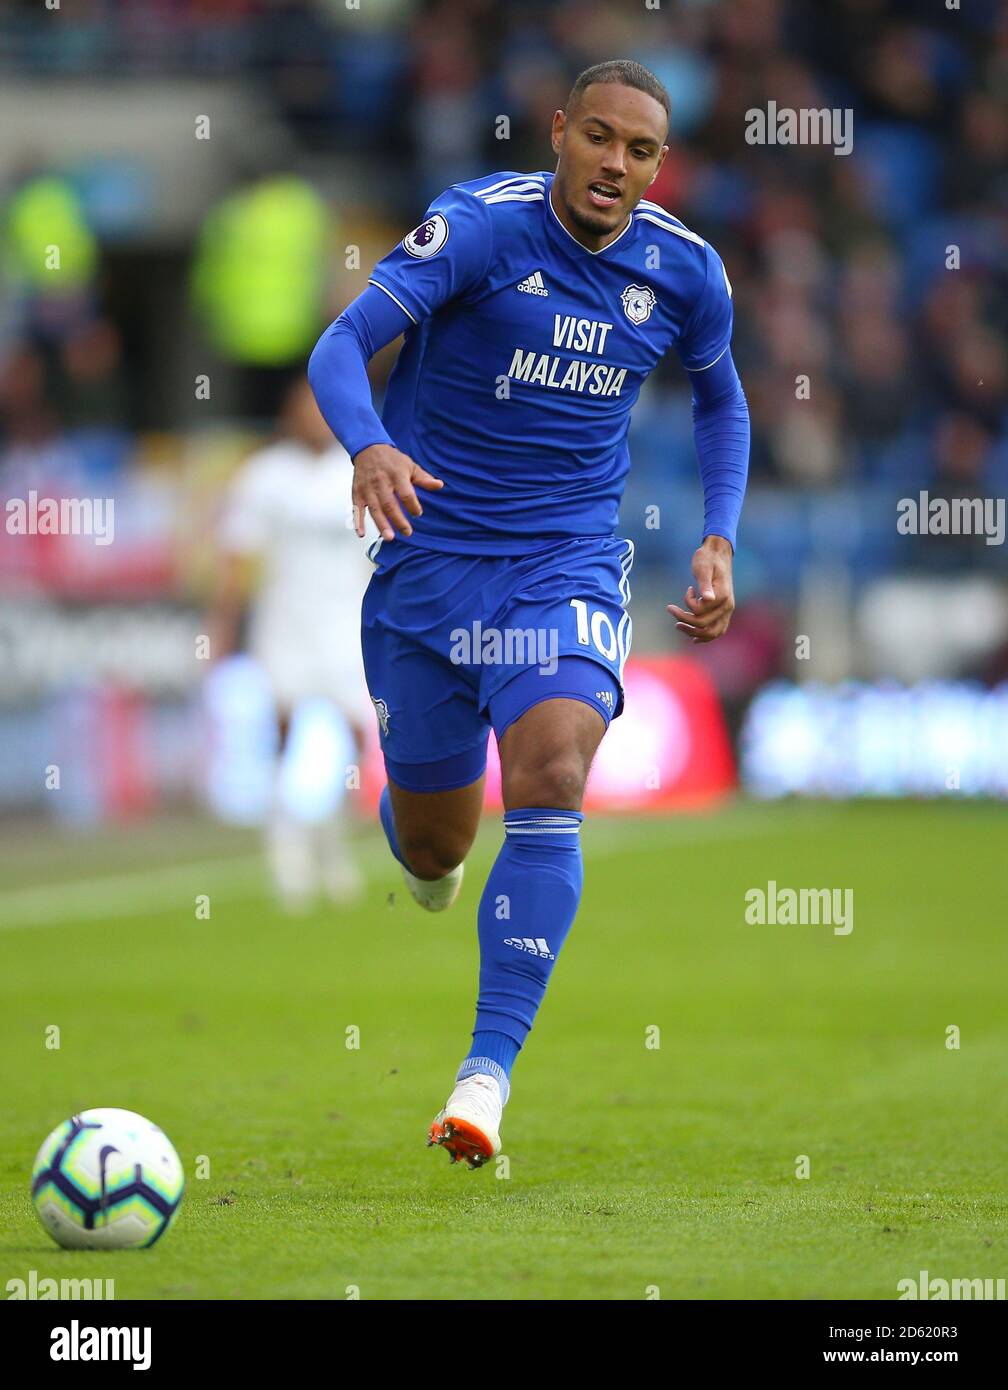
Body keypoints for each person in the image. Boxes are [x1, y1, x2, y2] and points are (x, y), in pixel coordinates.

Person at [308, 60, 750, 1166]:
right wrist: (370, 446)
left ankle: (483, 1079)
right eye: (598, 138)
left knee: (552, 774)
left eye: (640, 151)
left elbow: (723, 398)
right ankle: (424, 852)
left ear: (659, 165)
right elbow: (338, 346)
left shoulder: (687, 272)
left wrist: (718, 533)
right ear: (558, 133)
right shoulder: (476, 229)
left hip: (564, 569)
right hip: (427, 569)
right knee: (433, 842)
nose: (616, 164)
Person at [209, 378, 375, 909]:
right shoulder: (265, 475)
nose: (316, 418)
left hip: (344, 628)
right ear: (289, 414)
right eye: (306, 408)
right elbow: (238, 557)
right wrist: (220, 627)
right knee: (282, 735)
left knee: (356, 737)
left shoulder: (360, 470)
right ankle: (285, 849)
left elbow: (380, 558)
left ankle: (330, 840)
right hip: (285, 627)